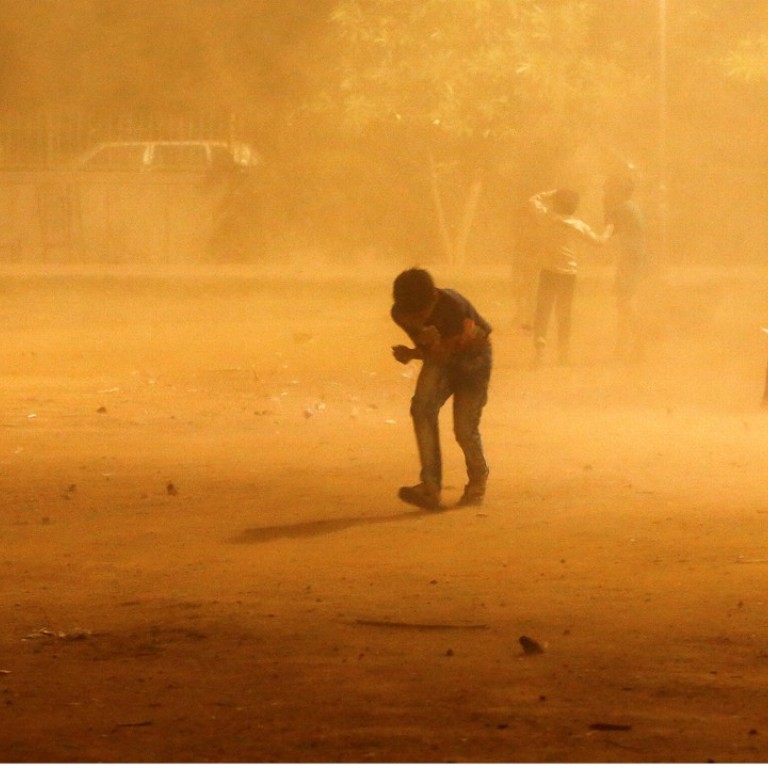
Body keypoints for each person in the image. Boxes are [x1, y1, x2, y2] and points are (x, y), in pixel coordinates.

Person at [390, 268, 492, 510]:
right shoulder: (402, 313)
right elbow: (434, 351)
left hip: (473, 362)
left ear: (434, 298)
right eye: (410, 314)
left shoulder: (454, 307)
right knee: (421, 409)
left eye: (420, 313)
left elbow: (451, 349)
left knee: (464, 429)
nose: (415, 320)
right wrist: (418, 351)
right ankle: (430, 487)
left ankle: (477, 481)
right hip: (442, 358)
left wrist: (413, 353)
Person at [528, 188, 613, 366]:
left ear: (556, 203)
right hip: (568, 274)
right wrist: (609, 229)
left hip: (548, 272)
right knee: (563, 312)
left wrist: (553, 192)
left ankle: (540, 348)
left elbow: (533, 200)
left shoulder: (545, 217)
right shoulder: (577, 225)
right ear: (575, 207)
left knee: (543, 310)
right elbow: (599, 242)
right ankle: (563, 353)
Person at [603, 173, 649, 361]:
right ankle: (622, 347)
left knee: (625, 303)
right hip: (635, 256)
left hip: (630, 257)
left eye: (608, 189)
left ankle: (639, 343)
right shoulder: (633, 206)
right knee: (623, 303)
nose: (606, 192)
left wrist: (605, 206)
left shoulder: (621, 208)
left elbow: (607, 232)